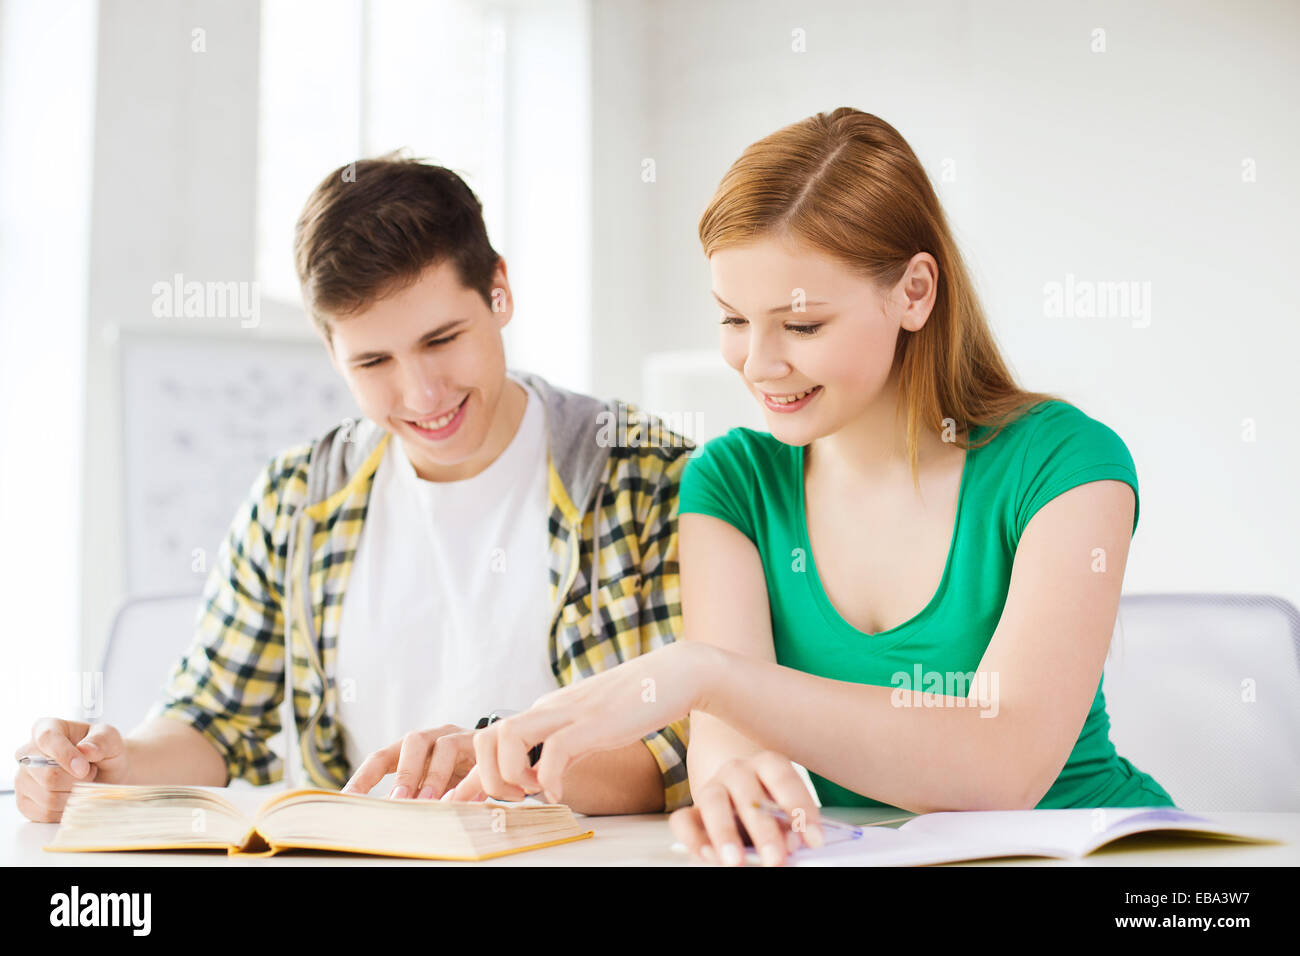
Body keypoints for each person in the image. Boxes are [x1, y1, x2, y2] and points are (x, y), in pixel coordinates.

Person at [451, 108, 1176, 864]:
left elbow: (1004, 765)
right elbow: (729, 752)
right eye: (734, 320)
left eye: (801, 327)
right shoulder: (733, 486)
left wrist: (698, 675)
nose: (760, 364)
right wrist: (733, 794)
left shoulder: (1064, 463)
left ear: (914, 293)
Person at [15, 156, 693, 822]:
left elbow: (687, 746)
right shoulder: (295, 500)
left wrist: (505, 764)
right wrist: (114, 766)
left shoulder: (643, 477)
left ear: (499, 291)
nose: (422, 394)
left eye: (442, 339)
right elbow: (213, 722)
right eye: (373, 361)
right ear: (332, 350)